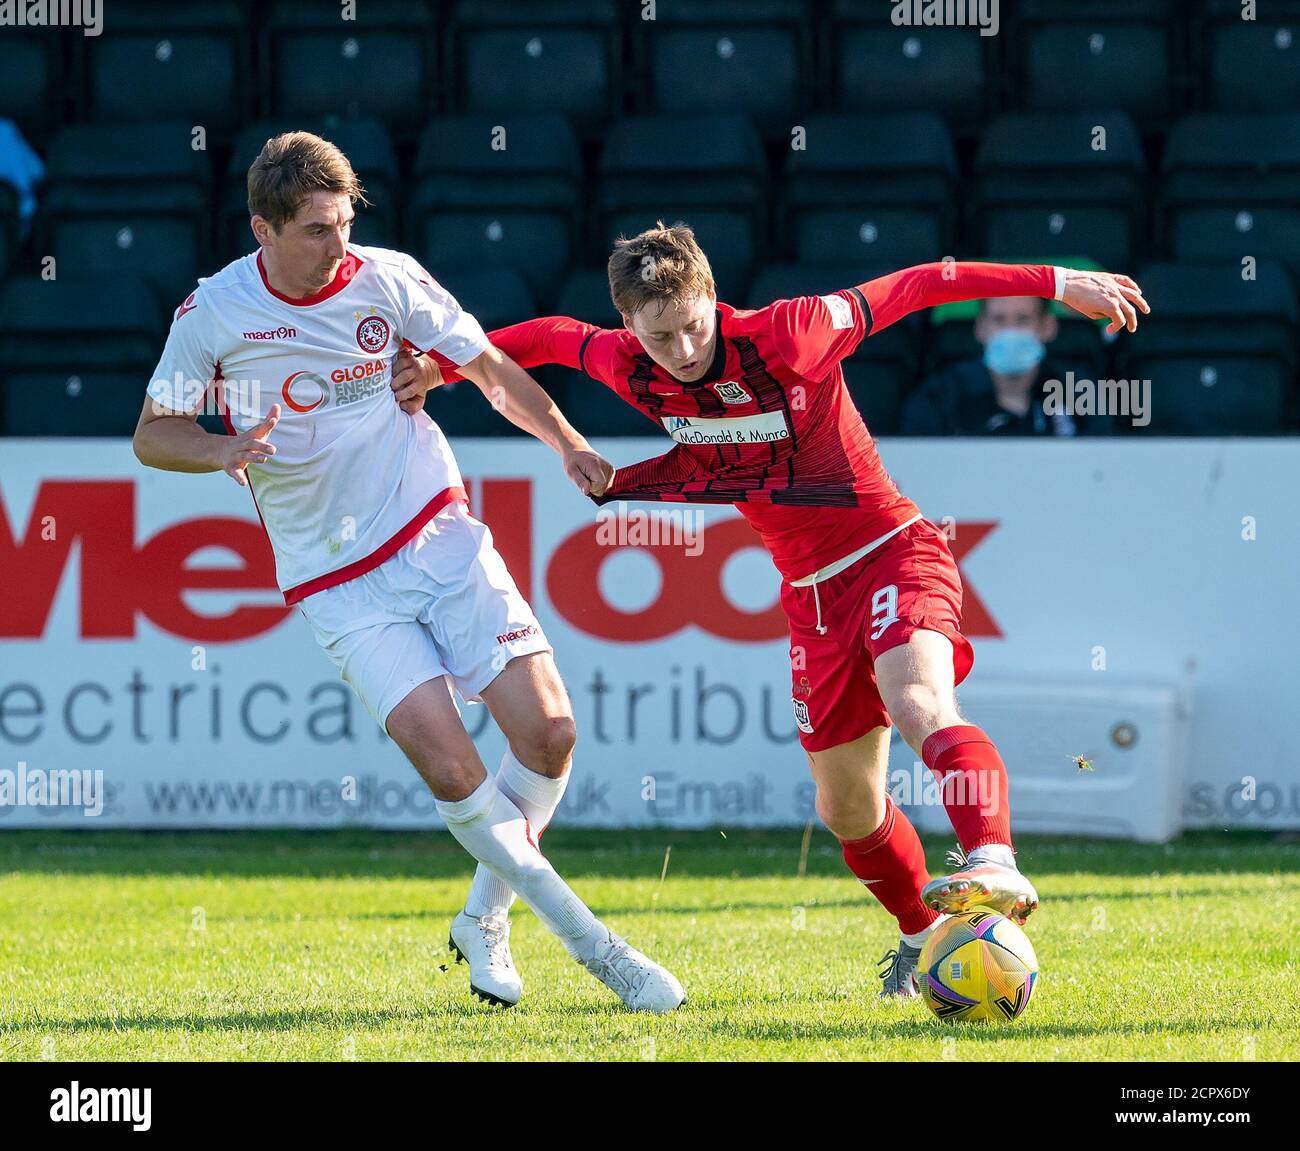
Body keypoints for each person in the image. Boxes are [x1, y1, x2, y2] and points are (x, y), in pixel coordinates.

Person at [407, 222, 1150, 998]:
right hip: (811, 595)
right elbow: (547, 338)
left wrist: (1059, 283)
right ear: (630, 326)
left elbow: (927, 280)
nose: (684, 349)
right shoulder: (629, 362)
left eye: (694, 323)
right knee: (848, 807)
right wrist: (439, 367)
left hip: (893, 547)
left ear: (711, 295)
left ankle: (992, 856)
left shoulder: (793, 332)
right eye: (660, 336)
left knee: (922, 700)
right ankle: (921, 937)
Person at [132, 133, 684, 1014]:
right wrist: (223, 446)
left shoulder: (388, 277)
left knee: (549, 733)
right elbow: (153, 433)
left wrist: (570, 446)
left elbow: (492, 369)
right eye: (316, 230)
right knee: (453, 768)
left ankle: (482, 918)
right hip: (333, 580)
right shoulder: (214, 313)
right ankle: (600, 949)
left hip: (433, 528)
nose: (337, 245)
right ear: (261, 229)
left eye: (345, 223)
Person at [902, 294, 1113, 436]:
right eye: (999, 320)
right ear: (980, 328)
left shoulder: (1080, 394)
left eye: (1022, 320)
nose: (1010, 331)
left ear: (1047, 326)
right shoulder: (939, 397)